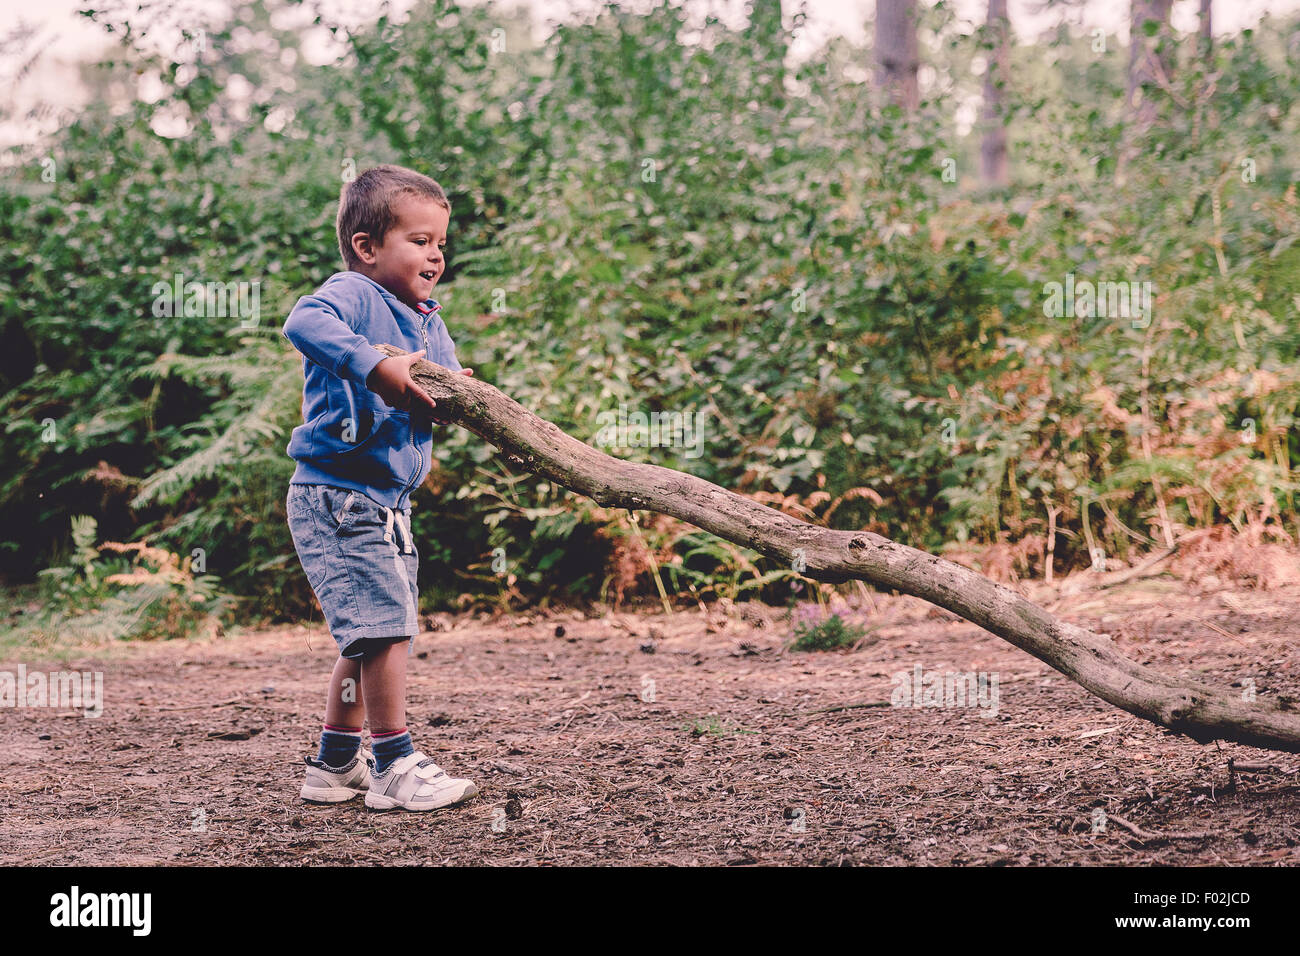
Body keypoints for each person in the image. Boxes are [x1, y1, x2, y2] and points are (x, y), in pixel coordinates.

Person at [281, 164, 478, 811]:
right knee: (386, 629)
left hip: (385, 504)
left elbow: (443, 384)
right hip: (337, 497)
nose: (435, 254)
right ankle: (394, 763)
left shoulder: (426, 319)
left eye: (440, 244)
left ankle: (335, 765)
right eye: (419, 240)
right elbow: (303, 324)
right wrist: (375, 365)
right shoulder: (351, 295)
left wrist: (463, 393)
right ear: (368, 248)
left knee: (369, 633)